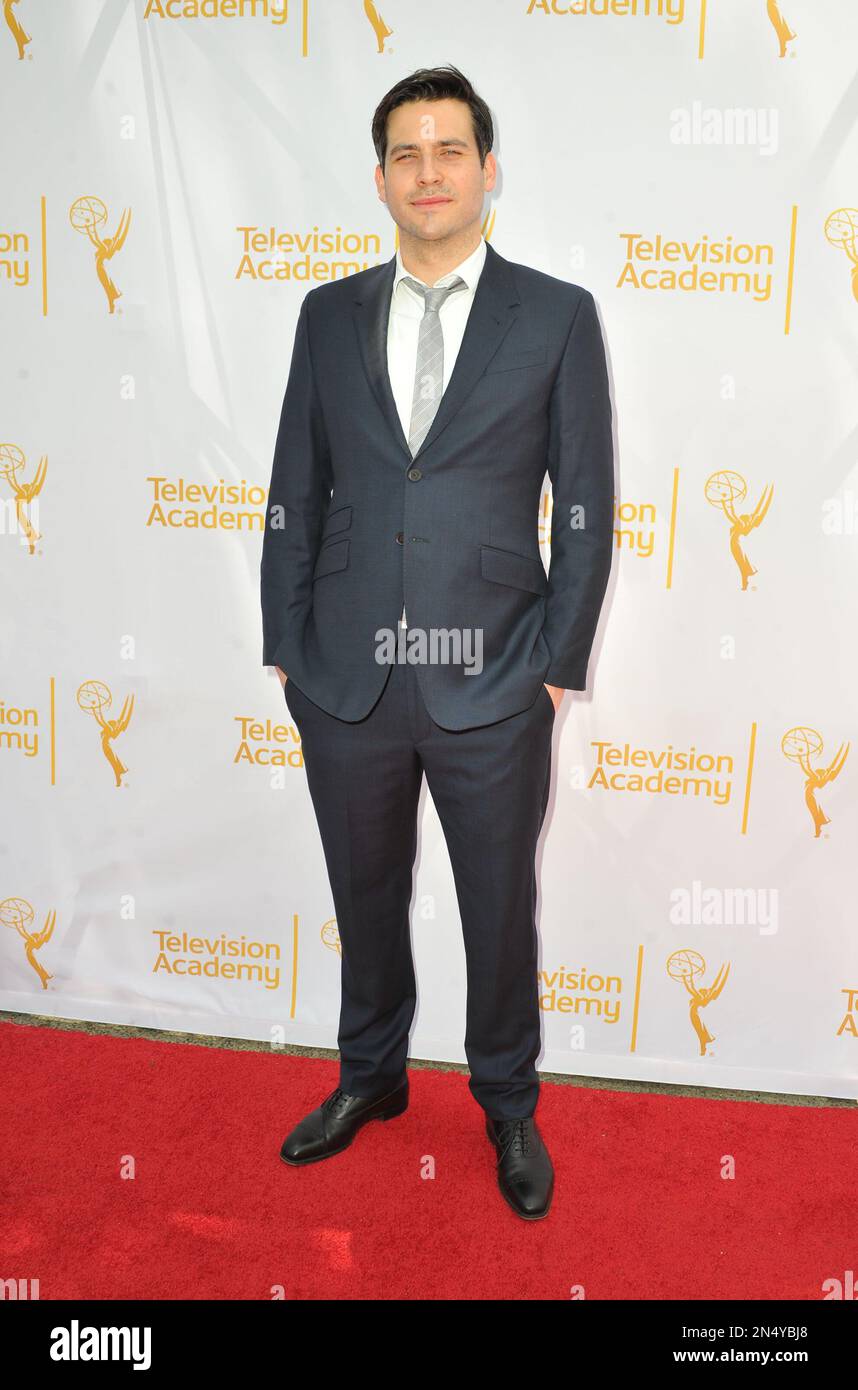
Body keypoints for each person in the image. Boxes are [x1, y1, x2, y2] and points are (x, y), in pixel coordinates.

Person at [260, 64, 614, 1220]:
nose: (429, 172)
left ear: (487, 169)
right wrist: (288, 645)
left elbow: (582, 508)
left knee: (496, 905)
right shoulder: (324, 313)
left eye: (449, 150)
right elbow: (292, 492)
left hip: (496, 676)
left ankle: (506, 1100)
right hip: (346, 677)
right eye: (407, 154)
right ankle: (371, 1076)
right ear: (379, 178)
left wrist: (555, 670)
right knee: (363, 891)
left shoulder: (557, 314)